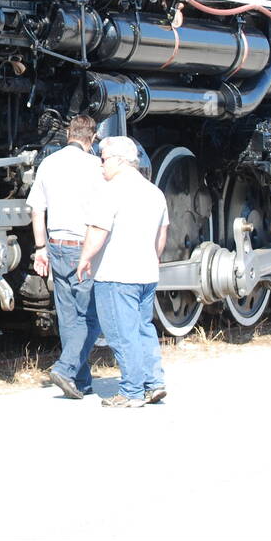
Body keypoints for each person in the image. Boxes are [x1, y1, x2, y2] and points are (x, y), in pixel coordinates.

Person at [76, 135, 169, 409]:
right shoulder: (154, 192)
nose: (101, 166)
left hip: (116, 274)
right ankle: (154, 383)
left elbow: (98, 230)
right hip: (146, 273)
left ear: (118, 161)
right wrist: (152, 259)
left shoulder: (111, 190)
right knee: (144, 330)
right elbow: (161, 237)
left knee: (121, 333)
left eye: (103, 160)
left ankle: (131, 392)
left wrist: (84, 259)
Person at [27, 114, 103, 400]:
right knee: (92, 317)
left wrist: (40, 248)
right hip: (83, 248)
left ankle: (81, 381)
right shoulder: (96, 166)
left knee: (69, 317)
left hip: (56, 245)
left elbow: (37, 209)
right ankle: (66, 367)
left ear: (69, 134)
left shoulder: (48, 163)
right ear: (92, 138)